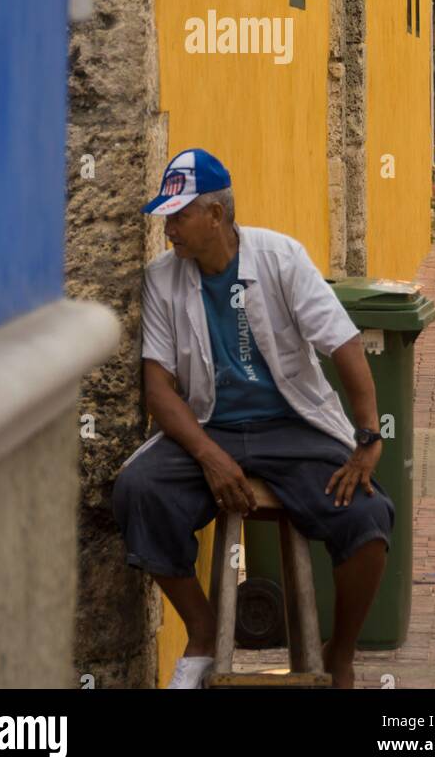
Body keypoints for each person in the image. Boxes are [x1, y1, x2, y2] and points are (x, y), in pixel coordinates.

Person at [111, 148, 395, 690]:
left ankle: (340, 652)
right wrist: (209, 456)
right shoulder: (163, 278)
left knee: (367, 518)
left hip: (291, 426)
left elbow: (344, 343)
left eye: (179, 217)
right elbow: (158, 389)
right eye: (166, 218)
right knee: (137, 490)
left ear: (216, 215)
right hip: (209, 426)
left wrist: (367, 435)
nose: (168, 230)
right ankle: (201, 631)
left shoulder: (280, 258)